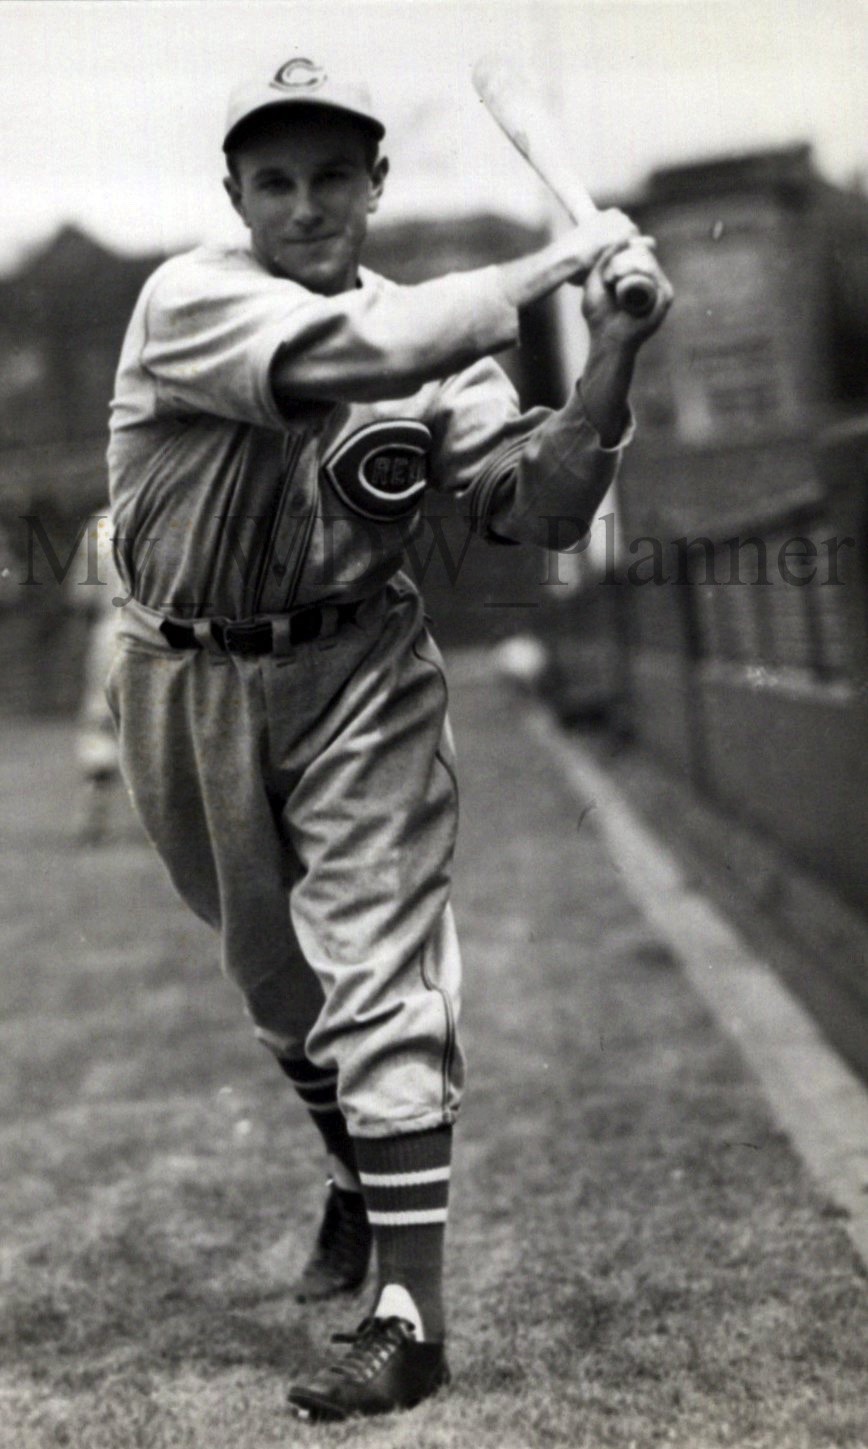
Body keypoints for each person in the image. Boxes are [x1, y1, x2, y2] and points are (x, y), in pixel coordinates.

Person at [105, 55, 672, 1422]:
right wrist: (567, 253)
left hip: (360, 673)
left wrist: (613, 350)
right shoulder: (190, 300)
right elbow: (370, 355)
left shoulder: (446, 345)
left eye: (332, 177)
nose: (306, 203)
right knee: (278, 987)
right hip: (181, 681)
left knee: (380, 977)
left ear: (374, 187)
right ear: (236, 195)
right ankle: (362, 1180)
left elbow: (532, 506)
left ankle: (409, 1315)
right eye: (277, 181)